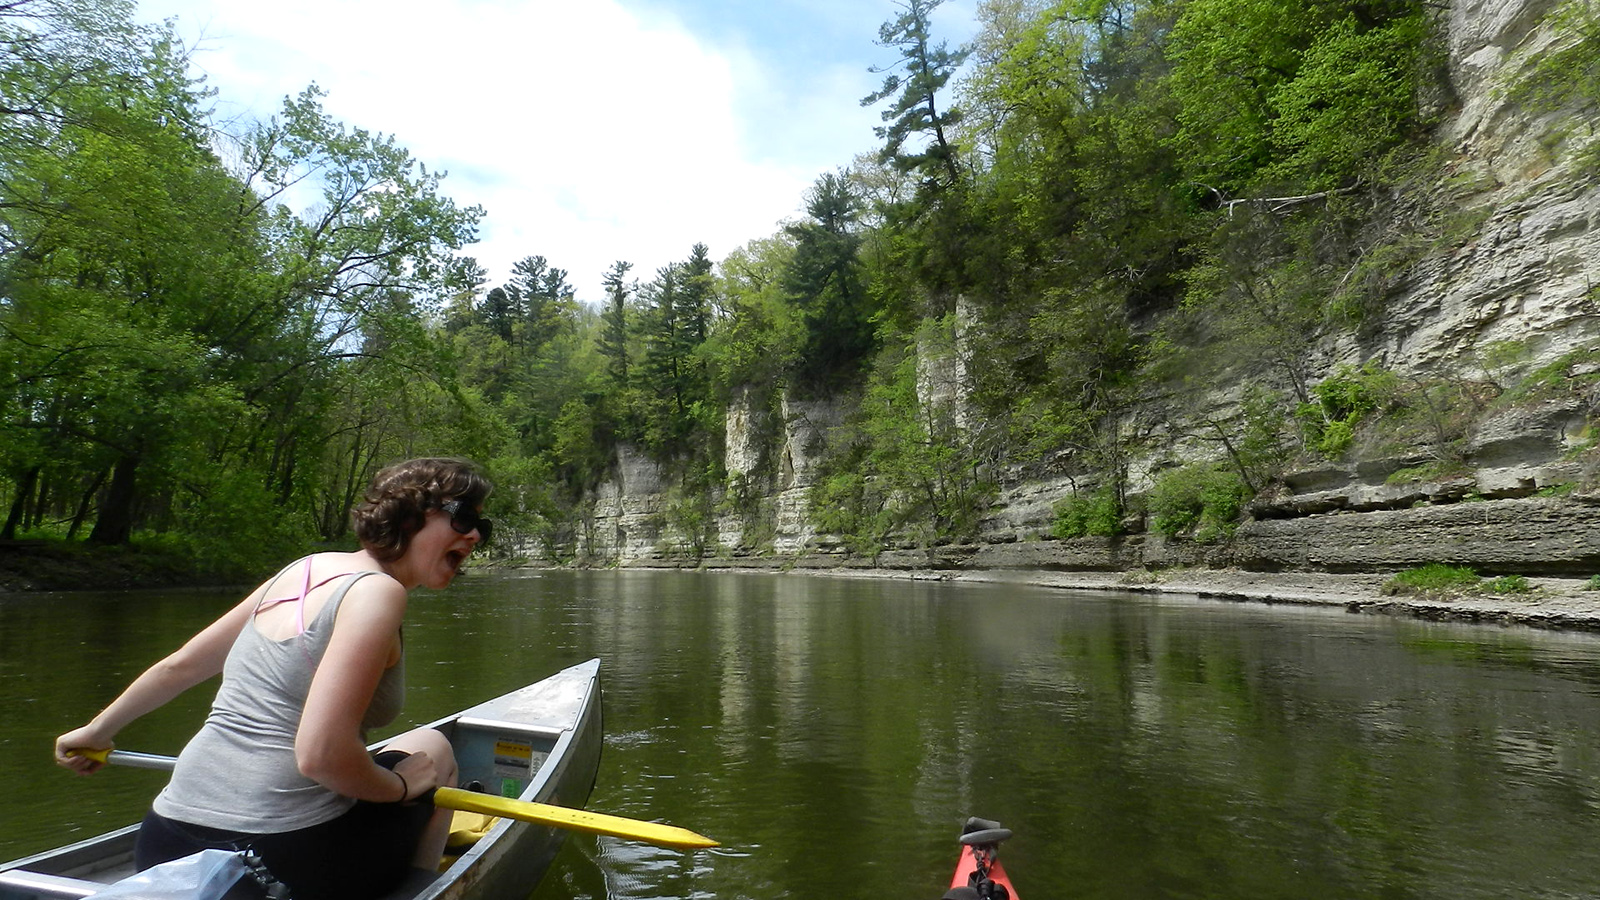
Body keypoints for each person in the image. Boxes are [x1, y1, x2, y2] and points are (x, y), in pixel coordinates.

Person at [54, 457, 494, 900]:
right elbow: (320, 757)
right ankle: (422, 889)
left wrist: (97, 731)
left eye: (482, 525)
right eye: (465, 517)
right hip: (269, 862)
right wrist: (400, 789)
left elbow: (182, 665)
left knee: (410, 756)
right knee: (435, 752)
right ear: (413, 512)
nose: (475, 534)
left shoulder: (303, 569)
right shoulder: (378, 592)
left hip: (163, 841)